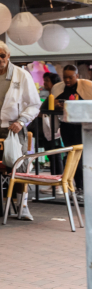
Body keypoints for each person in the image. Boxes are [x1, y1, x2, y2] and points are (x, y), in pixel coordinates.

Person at [0, 41, 40, 219]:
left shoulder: (21, 75)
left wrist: (22, 121)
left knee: (18, 165)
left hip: (14, 126)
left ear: (8, 55)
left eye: (2, 56)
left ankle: (23, 205)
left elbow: (35, 104)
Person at [48, 65, 91, 197]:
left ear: (77, 76)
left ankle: (83, 186)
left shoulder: (87, 86)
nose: (67, 80)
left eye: (70, 77)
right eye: (65, 77)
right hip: (66, 125)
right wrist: (57, 105)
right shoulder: (58, 88)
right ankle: (76, 185)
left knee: (82, 156)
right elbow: (50, 104)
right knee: (71, 156)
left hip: (83, 127)